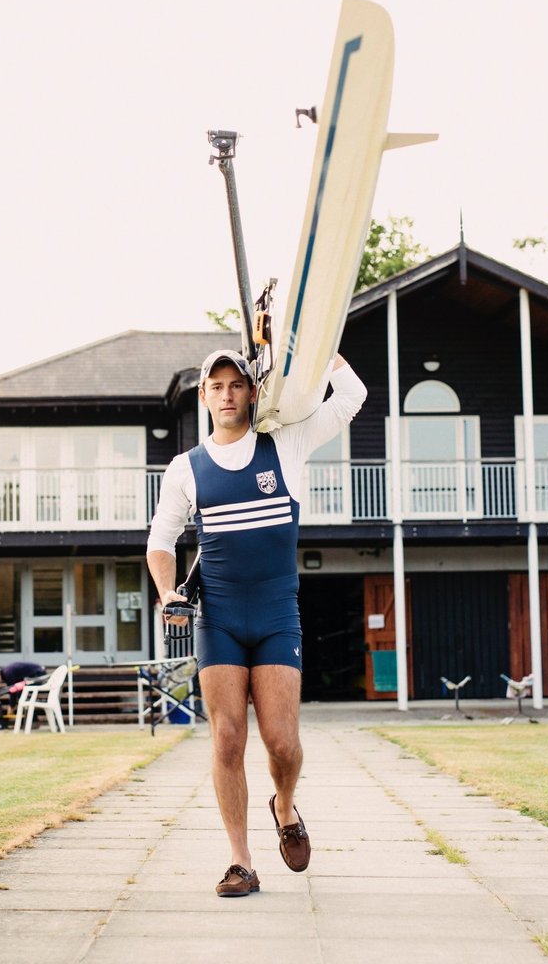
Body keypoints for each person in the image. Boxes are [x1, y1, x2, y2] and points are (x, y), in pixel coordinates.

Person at [147, 348, 365, 897]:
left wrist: (312, 339)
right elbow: (160, 542)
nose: (225, 394)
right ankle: (241, 862)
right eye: (215, 386)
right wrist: (169, 590)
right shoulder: (186, 468)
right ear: (204, 396)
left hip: (275, 616)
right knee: (226, 739)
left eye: (235, 385)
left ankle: (285, 806)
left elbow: (353, 398)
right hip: (218, 619)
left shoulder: (285, 446)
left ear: (251, 392)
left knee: (283, 743)